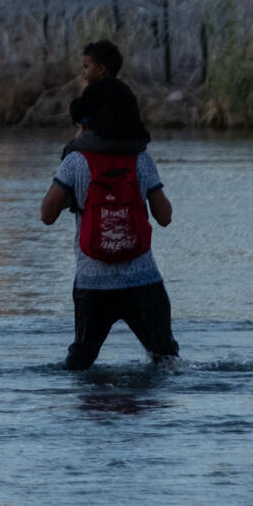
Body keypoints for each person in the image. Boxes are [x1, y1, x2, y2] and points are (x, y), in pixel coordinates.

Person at [39, 116, 178, 369]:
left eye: (78, 129)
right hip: (142, 279)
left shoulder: (75, 161)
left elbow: (46, 215)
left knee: (80, 362)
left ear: (87, 130)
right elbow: (165, 217)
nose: (76, 135)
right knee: (166, 358)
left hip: (93, 282)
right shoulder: (141, 159)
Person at [61, 40, 149, 158]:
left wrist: (77, 112)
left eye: (86, 67)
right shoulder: (126, 89)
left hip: (107, 141)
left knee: (70, 149)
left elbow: (78, 112)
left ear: (101, 69)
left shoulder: (94, 89)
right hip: (136, 143)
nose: (83, 72)